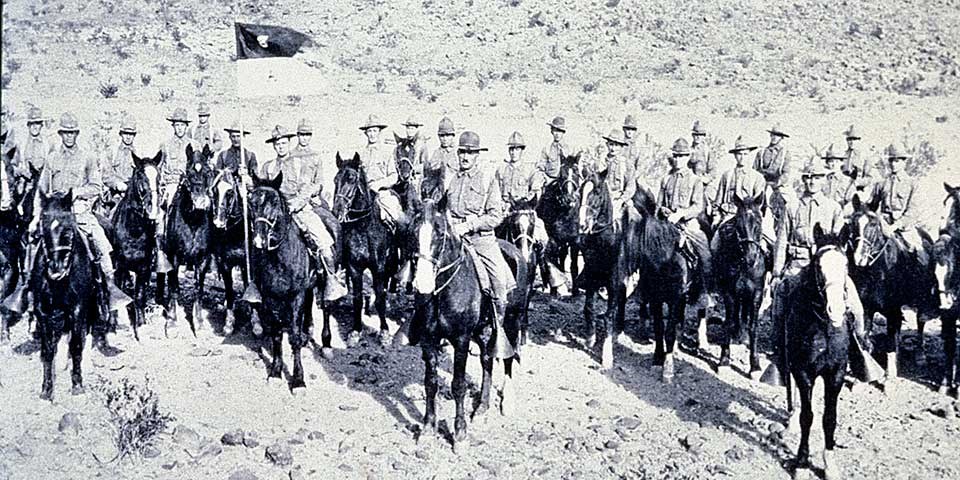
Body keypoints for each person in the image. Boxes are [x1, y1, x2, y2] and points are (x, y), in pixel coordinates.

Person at [10, 113, 131, 346]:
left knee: (102, 246)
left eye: (72, 133)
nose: (69, 136)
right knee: (33, 249)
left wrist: (77, 193)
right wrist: (36, 217)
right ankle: (28, 294)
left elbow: (96, 186)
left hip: (79, 212)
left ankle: (110, 293)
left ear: (76, 134)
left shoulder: (87, 157)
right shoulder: (52, 158)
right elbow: (41, 190)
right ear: (61, 134)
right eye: (65, 133)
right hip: (55, 214)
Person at [767, 159, 868, 383]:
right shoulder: (792, 207)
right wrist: (776, 272)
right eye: (808, 177)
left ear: (824, 180)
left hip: (829, 266)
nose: (812, 181)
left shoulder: (833, 208)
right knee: (779, 301)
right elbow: (781, 241)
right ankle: (779, 353)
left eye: (817, 177)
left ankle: (860, 351)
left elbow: (841, 242)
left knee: (855, 305)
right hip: (798, 264)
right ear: (803, 180)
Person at [447, 131, 515, 358]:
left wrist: (470, 225)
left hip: (480, 240)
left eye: (470, 153)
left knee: (498, 282)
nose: (465, 157)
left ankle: (494, 328)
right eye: (462, 152)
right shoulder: (452, 179)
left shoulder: (487, 180)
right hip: (455, 237)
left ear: (477, 155)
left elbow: (495, 216)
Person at [257, 125, 345, 299]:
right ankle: (255, 284)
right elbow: (260, 189)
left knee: (323, 242)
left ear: (289, 143)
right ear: (273, 146)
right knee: (257, 243)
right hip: (274, 213)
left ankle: (331, 280)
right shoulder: (268, 166)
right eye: (277, 144)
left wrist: (296, 204)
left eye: (283, 143)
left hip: (299, 209)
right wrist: (246, 179)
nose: (280, 146)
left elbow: (308, 187)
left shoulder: (299, 163)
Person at [658, 138, 711, 303]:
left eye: (681, 156)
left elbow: (697, 206)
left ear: (688, 157)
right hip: (666, 224)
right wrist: (663, 210)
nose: (678, 159)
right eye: (676, 156)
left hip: (687, 225)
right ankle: (642, 290)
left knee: (705, 254)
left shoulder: (695, 180)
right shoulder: (666, 179)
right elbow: (659, 204)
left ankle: (705, 293)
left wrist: (681, 214)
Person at [709, 136, 768, 250]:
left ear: (749, 155)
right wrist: (716, 217)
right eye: (739, 154)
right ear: (735, 155)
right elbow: (717, 202)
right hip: (729, 216)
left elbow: (759, 203)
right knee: (714, 246)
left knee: (768, 243)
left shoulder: (757, 177)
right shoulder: (727, 175)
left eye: (745, 154)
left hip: (750, 217)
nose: (742, 157)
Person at [876, 145, 926, 264]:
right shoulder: (881, 183)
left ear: (904, 162)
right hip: (883, 225)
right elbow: (871, 205)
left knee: (920, 256)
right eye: (891, 160)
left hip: (904, 228)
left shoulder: (912, 183)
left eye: (897, 161)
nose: (893, 164)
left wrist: (895, 226)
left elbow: (913, 211)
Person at [496, 131, 548, 243]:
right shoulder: (501, 170)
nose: (514, 152)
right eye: (511, 149)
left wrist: (526, 201)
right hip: (505, 209)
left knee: (542, 235)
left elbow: (536, 188)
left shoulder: (529, 170)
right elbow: (495, 191)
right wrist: (501, 203)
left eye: (517, 149)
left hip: (524, 210)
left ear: (521, 150)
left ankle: (540, 254)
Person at [359, 114, 403, 228]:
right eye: (369, 131)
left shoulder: (386, 152)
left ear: (379, 132)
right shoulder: (361, 154)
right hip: (364, 195)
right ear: (366, 133)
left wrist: (378, 185)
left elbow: (393, 176)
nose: (372, 134)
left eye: (375, 131)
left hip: (382, 193)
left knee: (396, 216)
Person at [595, 129, 637, 216]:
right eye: (611, 144)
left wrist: (621, 200)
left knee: (631, 214)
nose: (613, 148)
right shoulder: (601, 162)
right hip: (600, 198)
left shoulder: (627, 165)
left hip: (618, 198)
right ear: (607, 144)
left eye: (616, 145)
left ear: (621, 147)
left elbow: (631, 186)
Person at [754, 123, 793, 207]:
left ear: (781, 138)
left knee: (790, 201)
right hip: (761, 184)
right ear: (770, 135)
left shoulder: (785, 154)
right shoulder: (761, 152)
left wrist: (778, 182)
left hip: (778, 185)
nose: (774, 137)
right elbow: (754, 170)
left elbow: (786, 172)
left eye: (778, 135)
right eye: (773, 135)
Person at [290, 118, 325, 206]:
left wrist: (312, 191)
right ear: (298, 135)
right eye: (302, 134)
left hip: (310, 198)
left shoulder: (315, 156)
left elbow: (319, 180)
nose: (305, 138)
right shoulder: (290, 155)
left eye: (308, 135)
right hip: (292, 197)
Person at [101, 114, 138, 196]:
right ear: (121, 134)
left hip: (133, 193)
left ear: (134, 135)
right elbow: (106, 175)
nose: (128, 137)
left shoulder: (138, 153)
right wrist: (117, 184)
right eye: (125, 133)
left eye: (131, 134)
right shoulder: (113, 151)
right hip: (116, 192)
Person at [423, 116, 458, 197]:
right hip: (437, 193)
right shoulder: (436, 153)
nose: (445, 139)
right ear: (438, 137)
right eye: (442, 136)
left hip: (454, 192)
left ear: (453, 136)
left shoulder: (457, 153)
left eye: (448, 135)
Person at [535, 116, 571, 189]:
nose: (557, 134)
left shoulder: (569, 149)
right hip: (550, 180)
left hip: (565, 182)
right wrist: (546, 178)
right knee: (537, 188)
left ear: (563, 132)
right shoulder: (547, 148)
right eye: (555, 130)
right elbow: (541, 166)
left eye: (560, 131)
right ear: (551, 131)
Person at [401, 116, 430, 185]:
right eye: (408, 128)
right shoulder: (404, 144)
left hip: (416, 178)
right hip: (404, 176)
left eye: (412, 129)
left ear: (416, 129)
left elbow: (425, 165)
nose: (409, 131)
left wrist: (413, 169)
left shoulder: (421, 145)